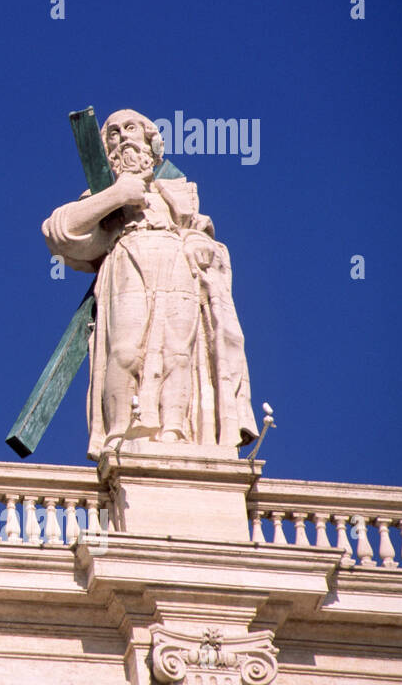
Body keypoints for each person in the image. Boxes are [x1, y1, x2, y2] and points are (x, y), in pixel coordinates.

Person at [42, 109, 256, 457]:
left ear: (151, 142)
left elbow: (204, 238)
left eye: (131, 129)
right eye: (112, 133)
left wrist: (198, 245)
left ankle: (175, 431)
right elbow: (59, 232)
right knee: (125, 351)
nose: (123, 137)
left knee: (179, 351)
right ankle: (120, 433)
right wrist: (118, 195)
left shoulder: (177, 193)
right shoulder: (101, 198)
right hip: (129, 257)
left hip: (176, 261)